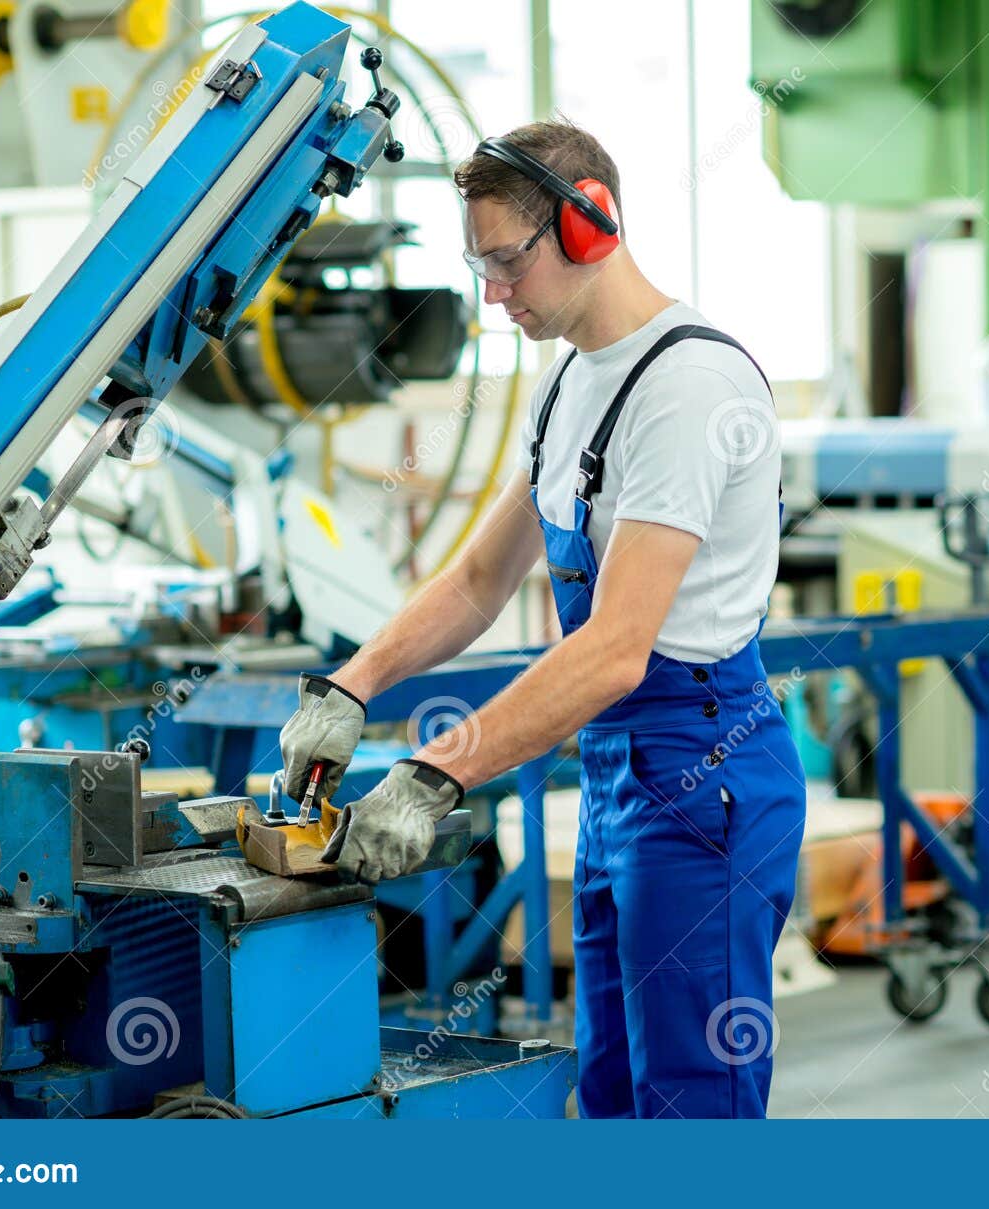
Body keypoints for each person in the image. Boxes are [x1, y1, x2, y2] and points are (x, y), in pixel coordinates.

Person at [278, 119, 806, 1117]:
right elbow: (482, 579)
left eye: (506, 263)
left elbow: (612, 651)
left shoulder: (689, 387)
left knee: (691, 1100)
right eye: (476, 267)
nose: (492, 293)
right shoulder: (567, 378)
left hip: (702, 773)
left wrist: (434, 772)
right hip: (617, 778)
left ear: (591, 224)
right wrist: (350, 683)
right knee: (608, 1087)